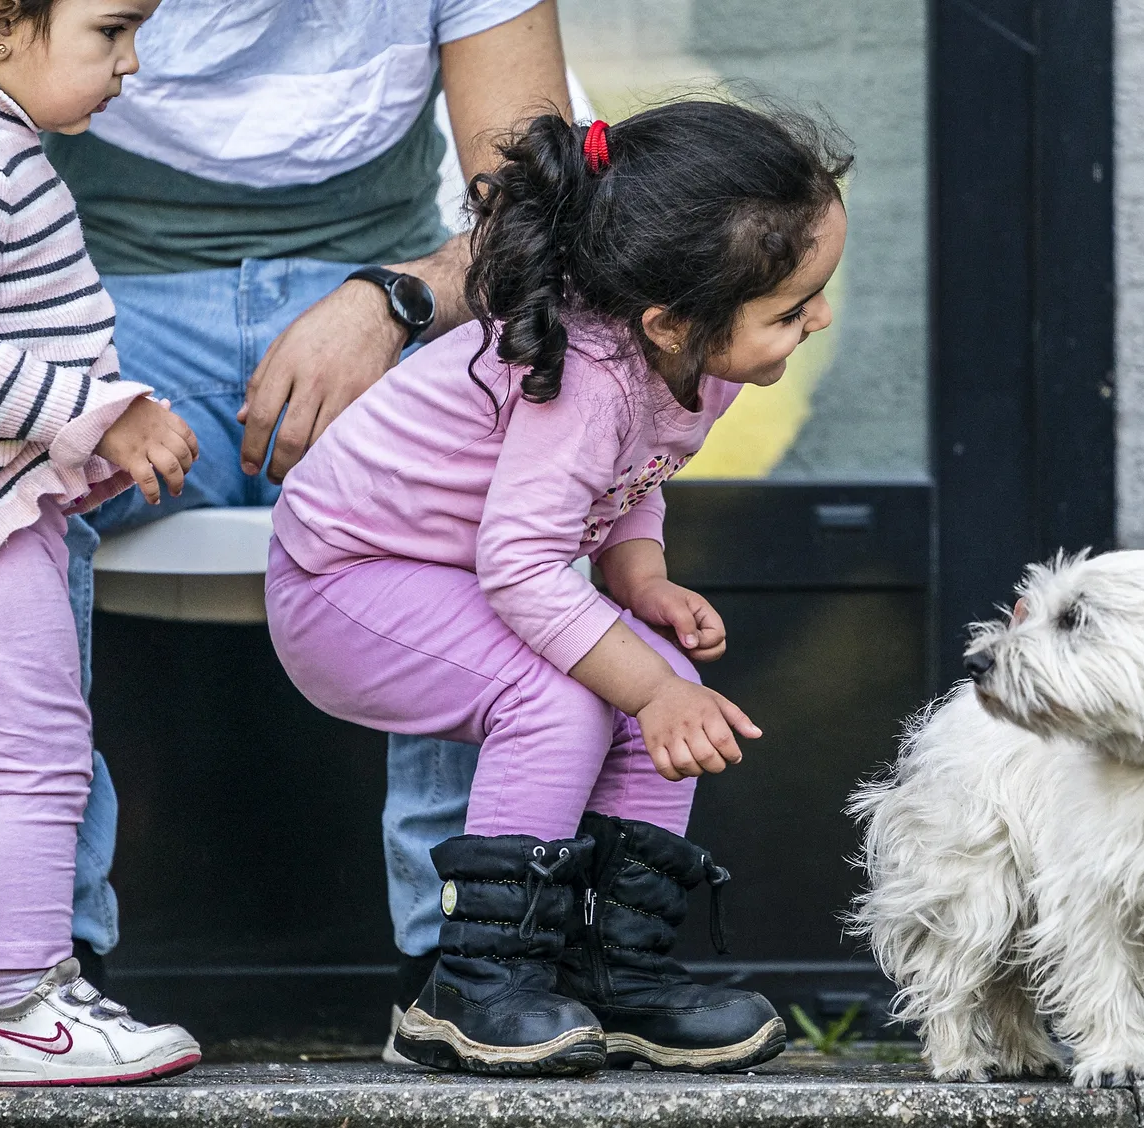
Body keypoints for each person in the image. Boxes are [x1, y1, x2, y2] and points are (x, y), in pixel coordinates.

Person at [0, 1, 573, 1047]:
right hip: (100, 300)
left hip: (383, 303)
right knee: (4, 474)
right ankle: (32, 967)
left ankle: (468, 960)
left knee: (500, 462)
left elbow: (542, 211)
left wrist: (393, 302)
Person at [264, 103, 849, 1075]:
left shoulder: (687, 355)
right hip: (346, 581)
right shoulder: (585, 374)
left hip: (457, 572)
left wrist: (639, 574)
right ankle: (468, 990)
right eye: (791, 309)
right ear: (671, 320)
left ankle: (619, 976)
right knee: (568, 701)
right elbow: (525, 564)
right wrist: (655, 691)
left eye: (816, 294)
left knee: (645, 675)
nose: (815, 319)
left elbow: (633, 474)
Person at [0, 0, 203, 1084]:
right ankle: (20, 1005)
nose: (132, 63)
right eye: (111, 31)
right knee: (39, 764)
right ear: (1, 23)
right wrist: (107, 412)